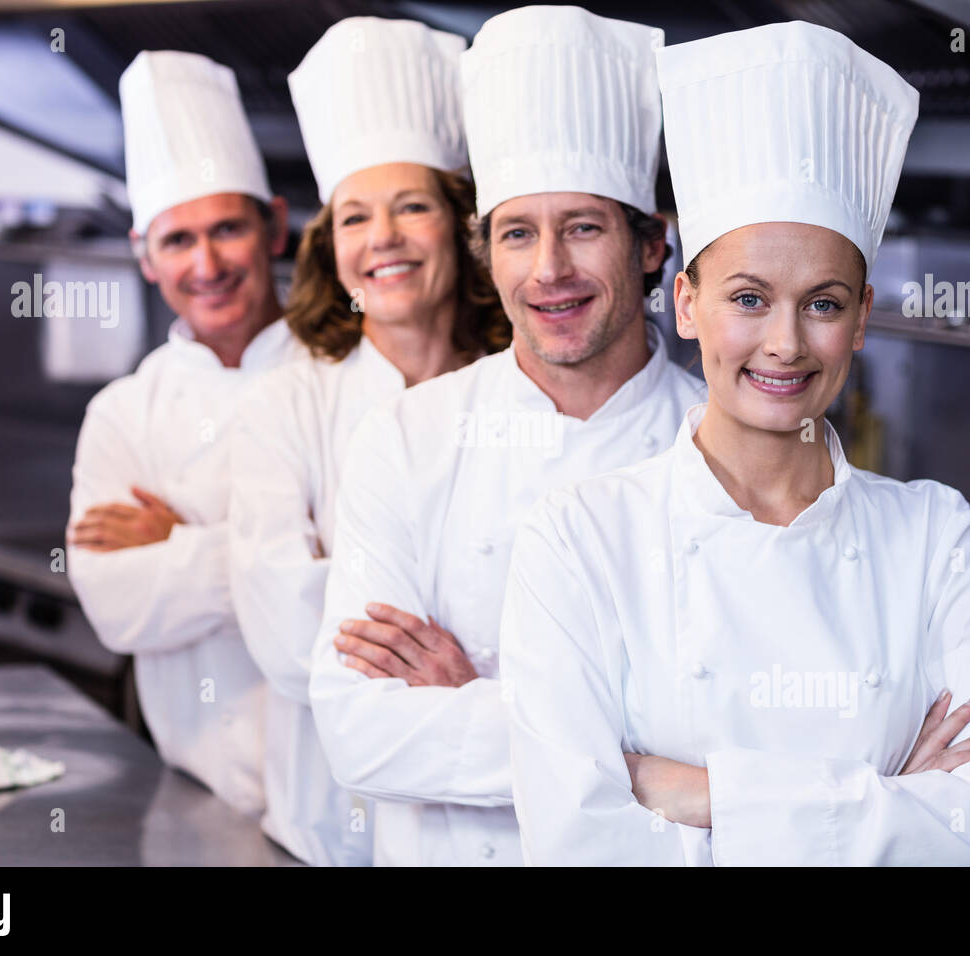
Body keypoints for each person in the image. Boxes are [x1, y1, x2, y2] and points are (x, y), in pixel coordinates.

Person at [499, 20, 970, 865]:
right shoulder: (579, 537)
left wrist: (698, 794)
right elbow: (578, 841)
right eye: (749, 298)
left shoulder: (940, 537)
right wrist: (894, 803)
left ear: (863, 317)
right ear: (685, 304)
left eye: (823, 304)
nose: (786, 343)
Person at [307, 5, 706, 866]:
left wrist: (474, 704)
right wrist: (638, 759)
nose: (550, 270)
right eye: (519, 233)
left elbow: (738, 738)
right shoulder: (409, 436)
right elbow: (358, 732)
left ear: (650, 246)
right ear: (488, 253)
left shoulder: (722, 450)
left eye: (584, 227)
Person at [227, 17, 510, 866]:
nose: (381, 236)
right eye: (354, 217)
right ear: (331, 248)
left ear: (463, 231)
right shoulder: (283, 401)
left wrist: (349, 573)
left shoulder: (525, 394)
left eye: (411, 206)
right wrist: (473, 648)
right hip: (322, 830)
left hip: (498, 829)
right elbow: (284, 637)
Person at [67, 50, 301, 817]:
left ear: (271, 226)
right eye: (177, 240)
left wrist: (180, 546)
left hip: (343, 812)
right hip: (194, 797)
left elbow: (362, 586)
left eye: (227, 228)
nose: (207, 263)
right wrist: (278, 561)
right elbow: (112, 607)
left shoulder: (345, 378)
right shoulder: (123, 413)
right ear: (144, 255)